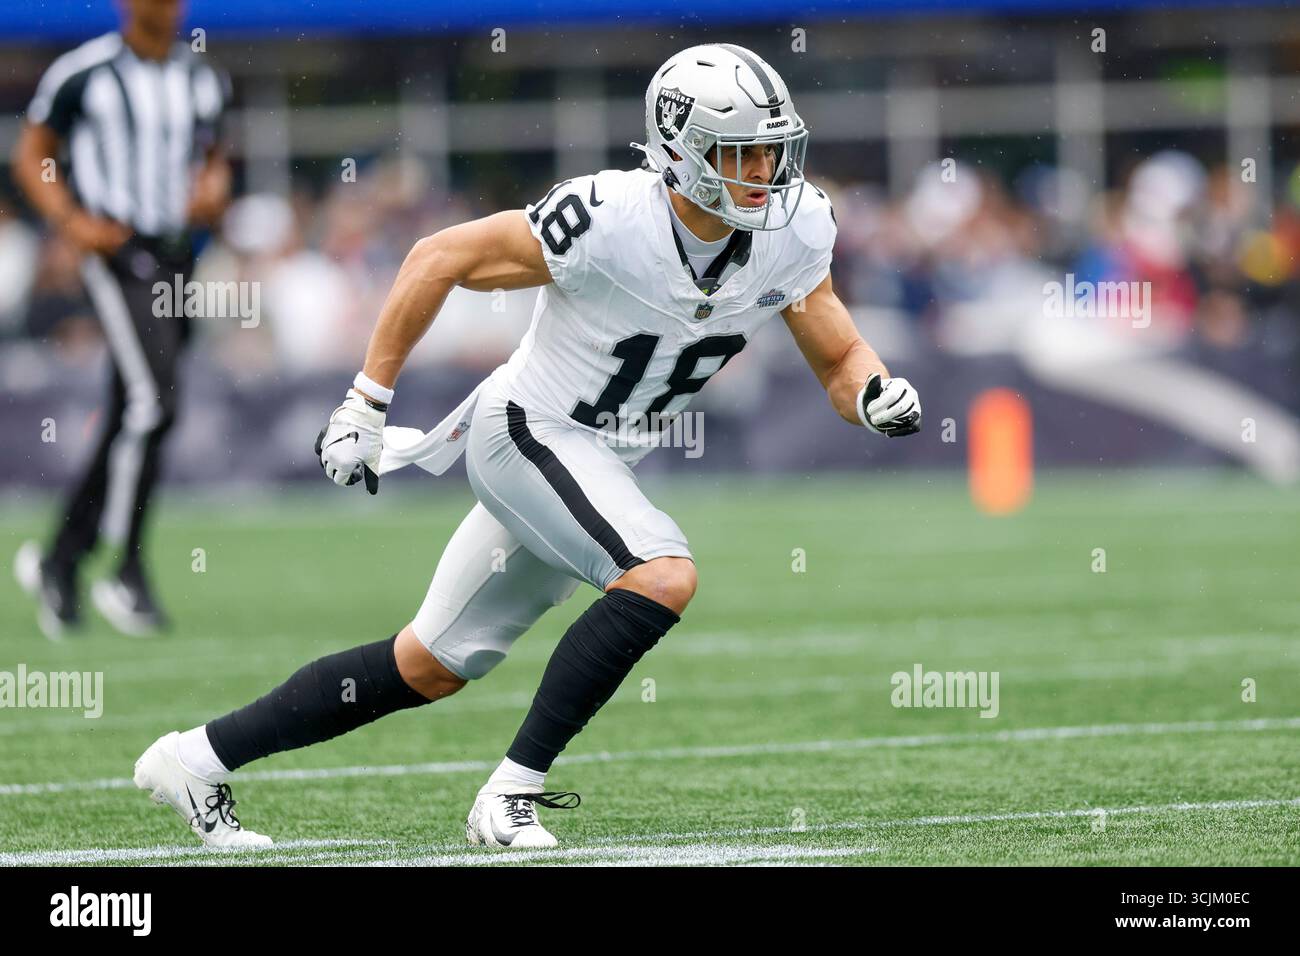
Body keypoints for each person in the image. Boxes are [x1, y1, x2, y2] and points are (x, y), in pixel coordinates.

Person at [133, 43, 921, 850]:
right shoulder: (610, 220)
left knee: (430, 663)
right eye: (741, 151)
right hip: (530, 430)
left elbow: (837, 357)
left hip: (597, 456)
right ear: (683, 149)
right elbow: (436, 257)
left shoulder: (795, 231)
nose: (764, 169)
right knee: (661, 573)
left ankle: (195, 759)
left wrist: (873, 395)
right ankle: (511, 792)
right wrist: (364, 403)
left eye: (771, 148)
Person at [12, 0, 230, 639]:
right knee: (154, 401)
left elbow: (214, 153)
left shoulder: (200, 77)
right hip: (117, 252)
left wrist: (213, 185)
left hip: (176, 256)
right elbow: (33, 153)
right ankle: (124, 567)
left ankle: (59, 559)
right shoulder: (85, 73)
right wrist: (71, 221)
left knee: (133, 410)